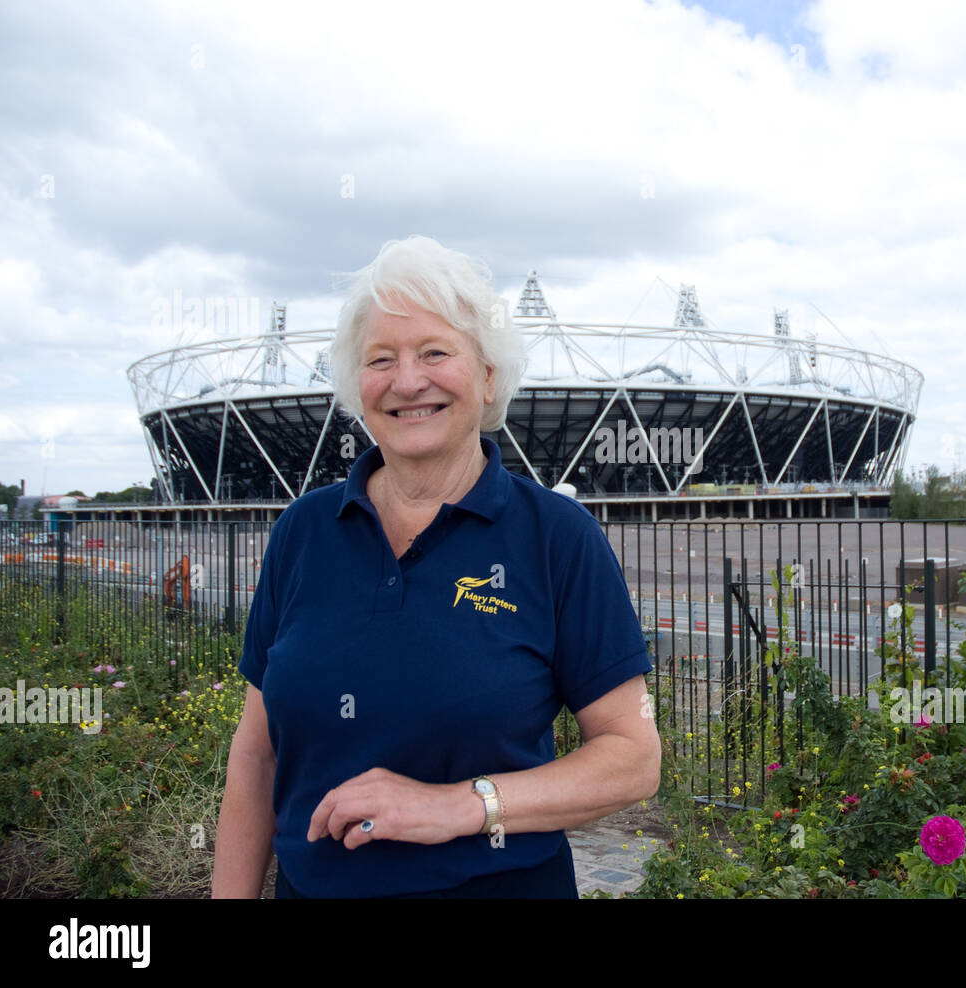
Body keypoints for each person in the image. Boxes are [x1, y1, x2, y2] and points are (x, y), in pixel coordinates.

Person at [212, 236, 660, 898]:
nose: (407, 381)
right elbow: (256, 754)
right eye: (380, 359)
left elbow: (633, 758)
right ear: (356, 387)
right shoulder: (303, 532)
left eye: (435, 352)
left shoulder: (556, 537)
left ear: (486, 378)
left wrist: (460, 805)